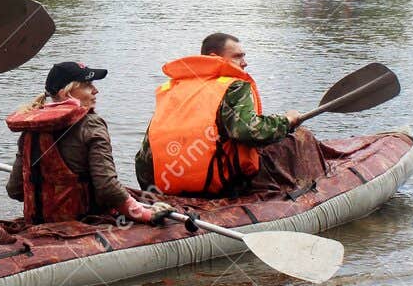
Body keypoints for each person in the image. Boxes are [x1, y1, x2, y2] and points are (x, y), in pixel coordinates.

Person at [134, 33, 329, 198]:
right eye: (238, 56)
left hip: (157, 183)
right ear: (214, 57)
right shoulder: (233, 85)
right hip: (214, 186)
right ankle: (304, 190)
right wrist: (286, 121)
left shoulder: (173, 87)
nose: (244, 63)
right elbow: (249, 131)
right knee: (292, 140)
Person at [5, 61, 167, 225]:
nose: (95, 90)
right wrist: (146, 214)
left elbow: (15, 189)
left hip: (37, 223)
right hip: (82, 222)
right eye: (87, 85)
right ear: (65, 94)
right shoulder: (91, 124)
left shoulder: (30, 128)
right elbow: (107, 188)